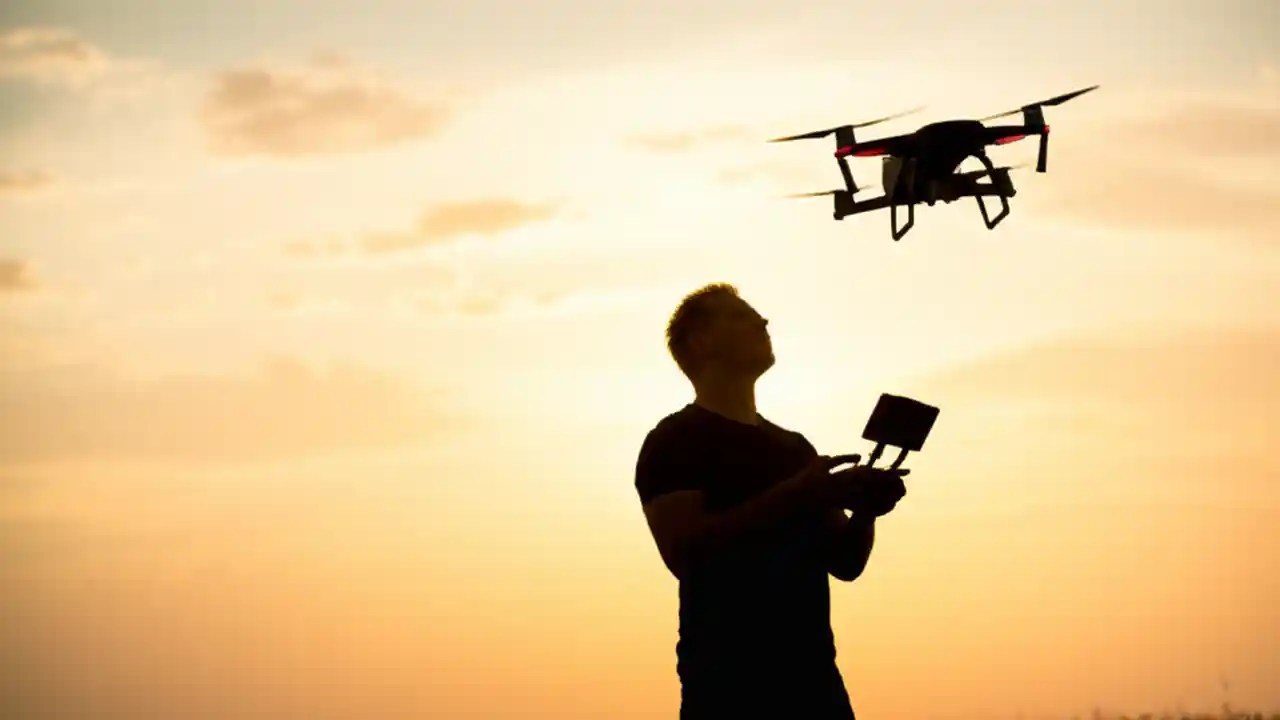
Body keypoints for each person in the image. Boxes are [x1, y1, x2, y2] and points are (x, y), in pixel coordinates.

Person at [633, 282, 909, 719]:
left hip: (815, 682)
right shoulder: (674, 441)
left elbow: (845, 561)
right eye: (740, 316)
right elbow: (686, 555)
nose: (761, 322)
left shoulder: (795, 448)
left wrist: (866, 510)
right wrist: (801, 494)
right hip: (728, 685)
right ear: (700, 342)